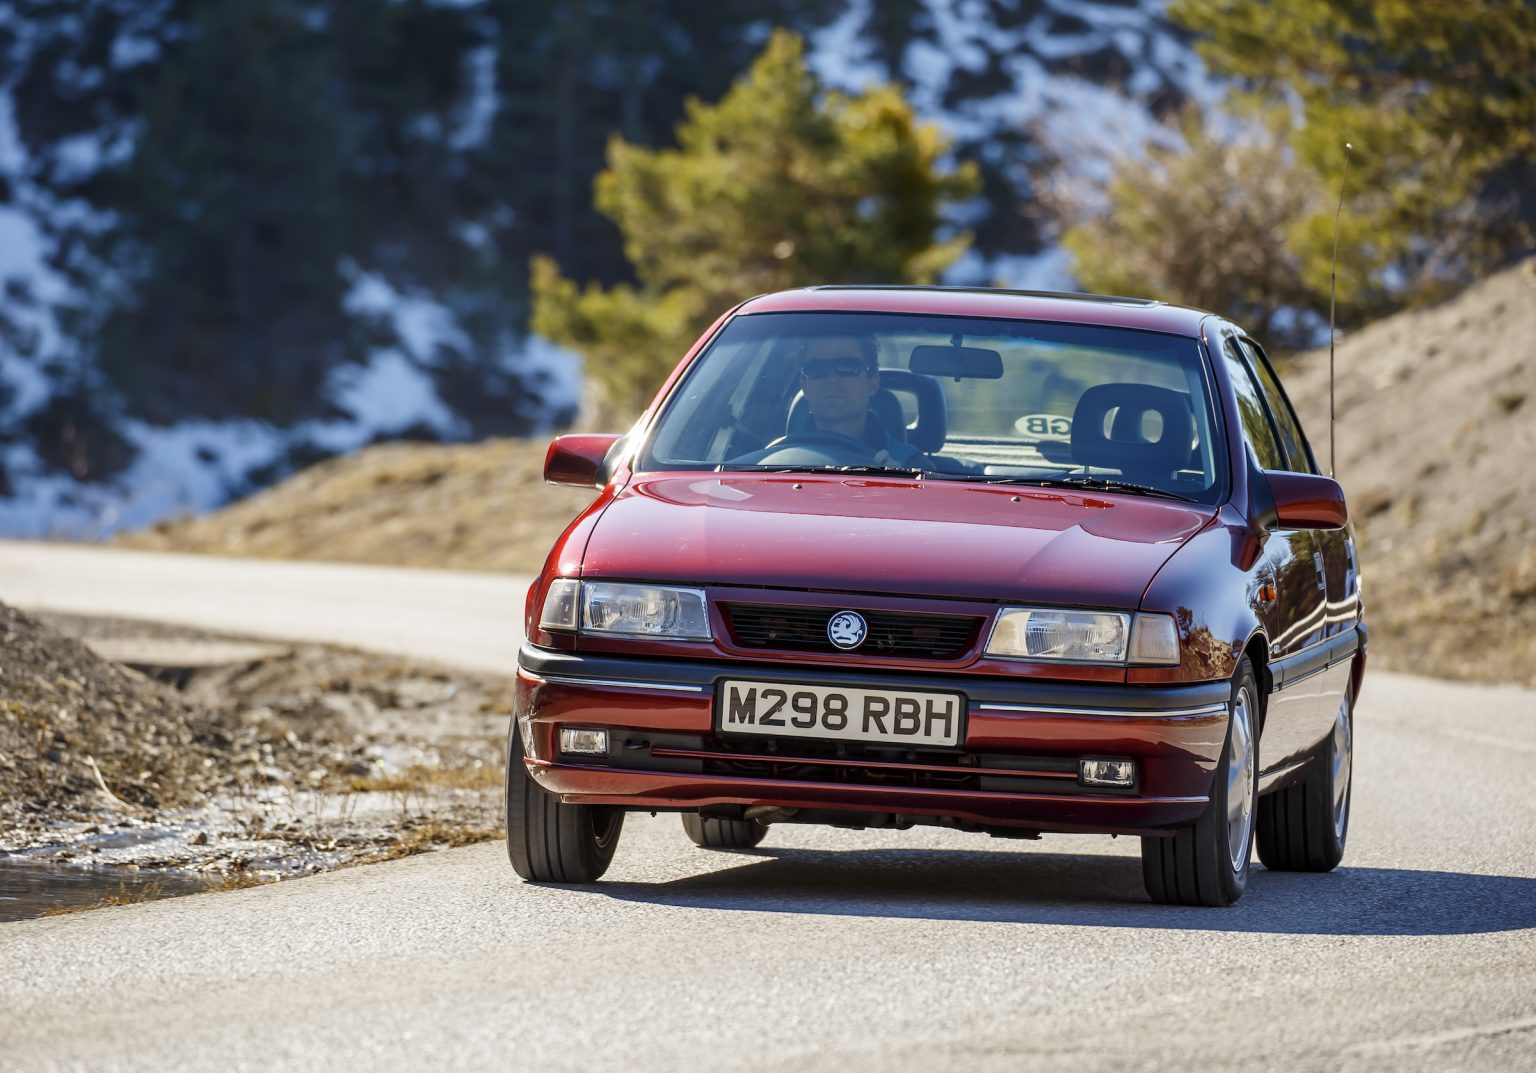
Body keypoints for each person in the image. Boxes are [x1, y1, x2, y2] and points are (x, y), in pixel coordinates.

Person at [791, 334, 924, 466]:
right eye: (816, 368)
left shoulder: (913, 467)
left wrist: (899, 484)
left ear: (872, 383)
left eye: (847, 366)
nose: (831, 379)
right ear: (803, 385)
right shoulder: (775, 463)